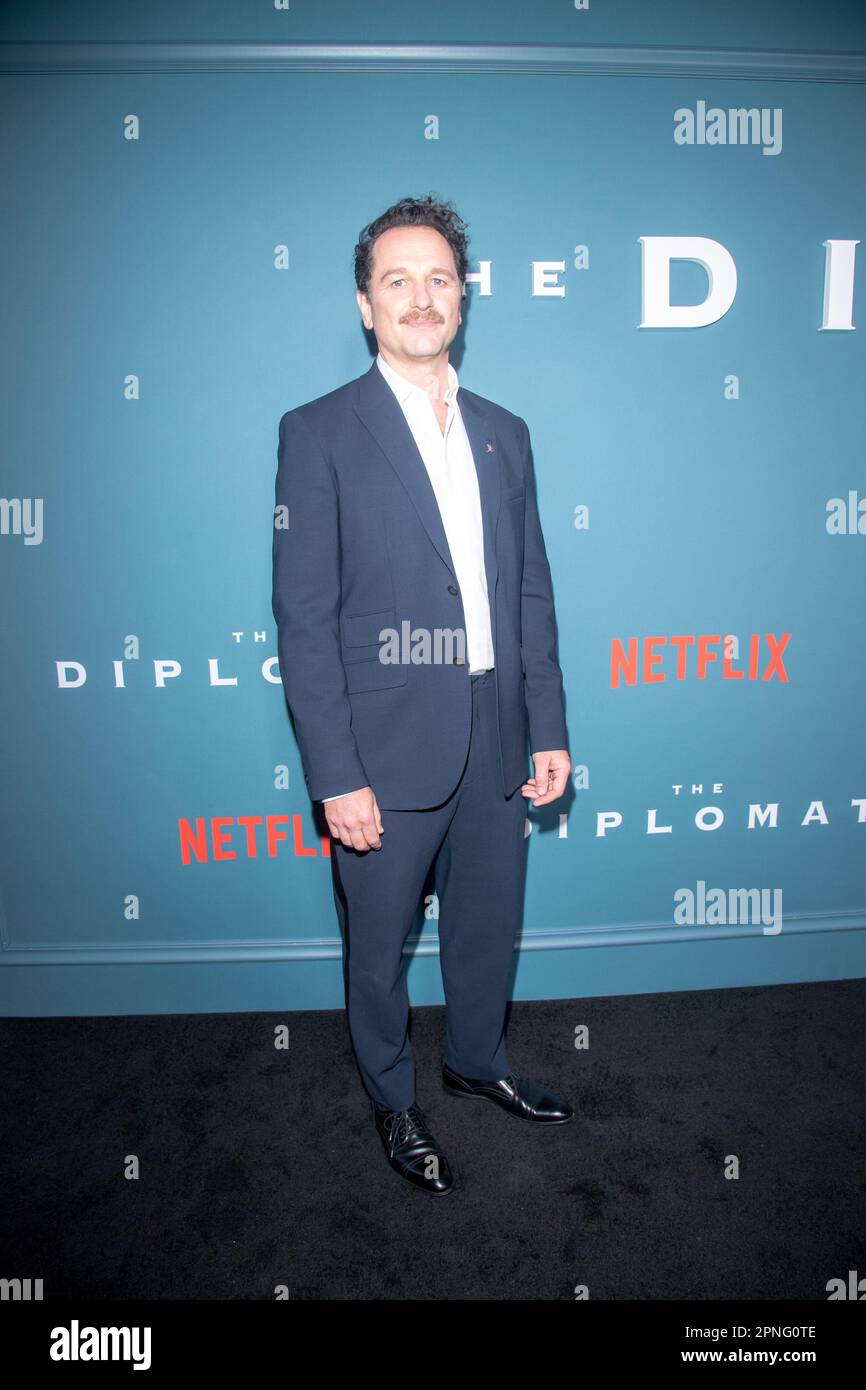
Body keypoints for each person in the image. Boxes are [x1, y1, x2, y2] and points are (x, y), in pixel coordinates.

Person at [272, 194, 573, 1195]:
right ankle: (393, 1099)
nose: (420, 295)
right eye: (397, 278)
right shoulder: (316, 432)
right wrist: (335, 774)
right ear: (365, 303)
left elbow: (528, 587)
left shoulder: (504, 432)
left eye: (438, 277)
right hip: (382, 747)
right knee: (377, 949)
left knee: (489, 924)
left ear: (463, 297)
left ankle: (475, 1059)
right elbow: (303, 620)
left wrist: (547, 728)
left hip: (495, 729)